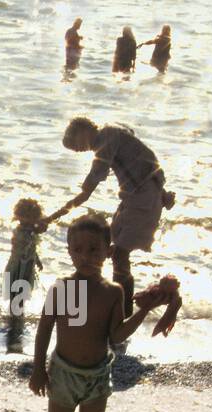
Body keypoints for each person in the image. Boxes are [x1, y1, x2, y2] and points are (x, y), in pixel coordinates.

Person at [10, 214, 172, 412]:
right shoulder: (64, 289)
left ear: (108, 252)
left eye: (94, 250)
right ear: (69, 252)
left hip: (98, 376)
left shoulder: (113, 291)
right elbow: (45, 329)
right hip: (63, 373)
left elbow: (116, 336)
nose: (85, 256)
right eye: (78, 249)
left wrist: (144, 311)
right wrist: (38, 368)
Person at [60, 117, 176, 308]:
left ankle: (123, 308)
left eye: (75, 143)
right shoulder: (113, 130)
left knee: (120, 253)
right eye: (74, 148)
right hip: (135, 195)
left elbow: (93, 181)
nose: (78, 149)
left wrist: (58, 213)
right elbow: (140, 154)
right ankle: (115, 301)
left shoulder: (106, 137)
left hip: (144, 196)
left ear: (85, 129)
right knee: (110, 248)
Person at [3, 198, 69, 351]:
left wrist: (37, 260)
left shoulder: (28, 231)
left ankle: (15, 322)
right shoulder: (23, 231)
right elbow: (25, 246)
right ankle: (15, 323)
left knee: (19, 297)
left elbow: (30, 248)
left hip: (24, 266)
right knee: (17, 297)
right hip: (19, 268)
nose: (37, 221)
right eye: (34, 218)